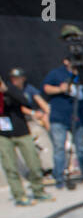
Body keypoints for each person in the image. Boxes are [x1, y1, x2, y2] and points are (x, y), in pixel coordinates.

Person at [42, 51, 83, 187]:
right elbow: (46, 88)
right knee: (59, 148)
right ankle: (59, 176)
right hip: (59, 117)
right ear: (66, 61)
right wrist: (60, 89)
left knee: (82, 147)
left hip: (78, 116)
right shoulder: (56, 74)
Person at [1, 72, 53, 205]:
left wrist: (6, 91)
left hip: (21, 131)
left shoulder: (11, 89)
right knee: (10, 167)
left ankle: (38, 191)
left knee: (34, 163)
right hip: (3, 135)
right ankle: (19, 195)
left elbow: (25, 101)